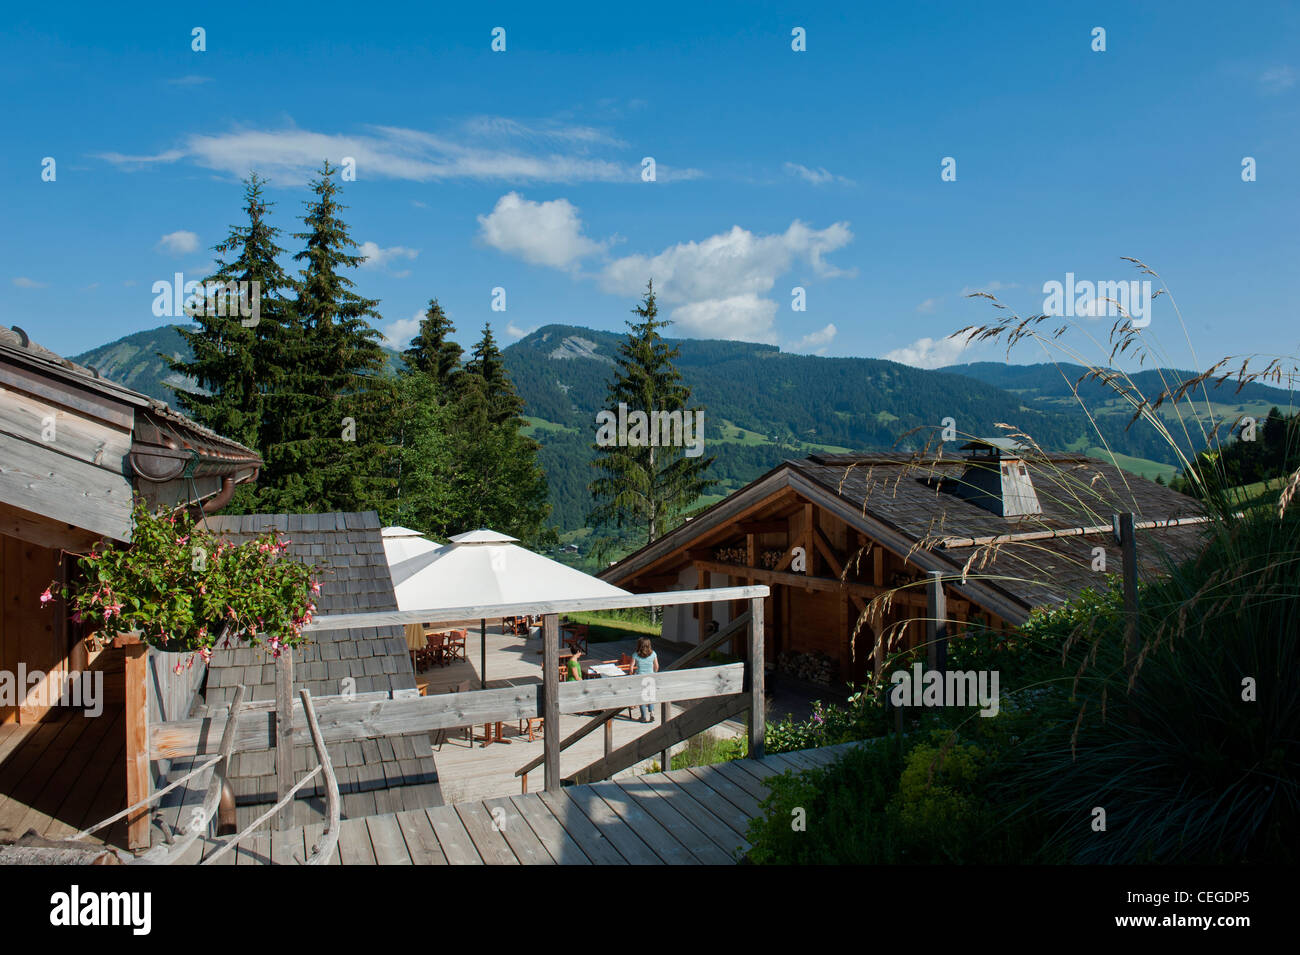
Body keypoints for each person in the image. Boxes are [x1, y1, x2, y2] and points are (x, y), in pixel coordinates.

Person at [633, 637, 658, 722]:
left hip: (640, 678)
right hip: (650, 677)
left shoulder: (635, 655)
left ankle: (643, 716)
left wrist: (631, 674)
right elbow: (656, 666)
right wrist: (654, 673)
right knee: (650, 696)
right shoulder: (653, 654)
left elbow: (631, 667)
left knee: (642, 697)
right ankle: (652, 713)